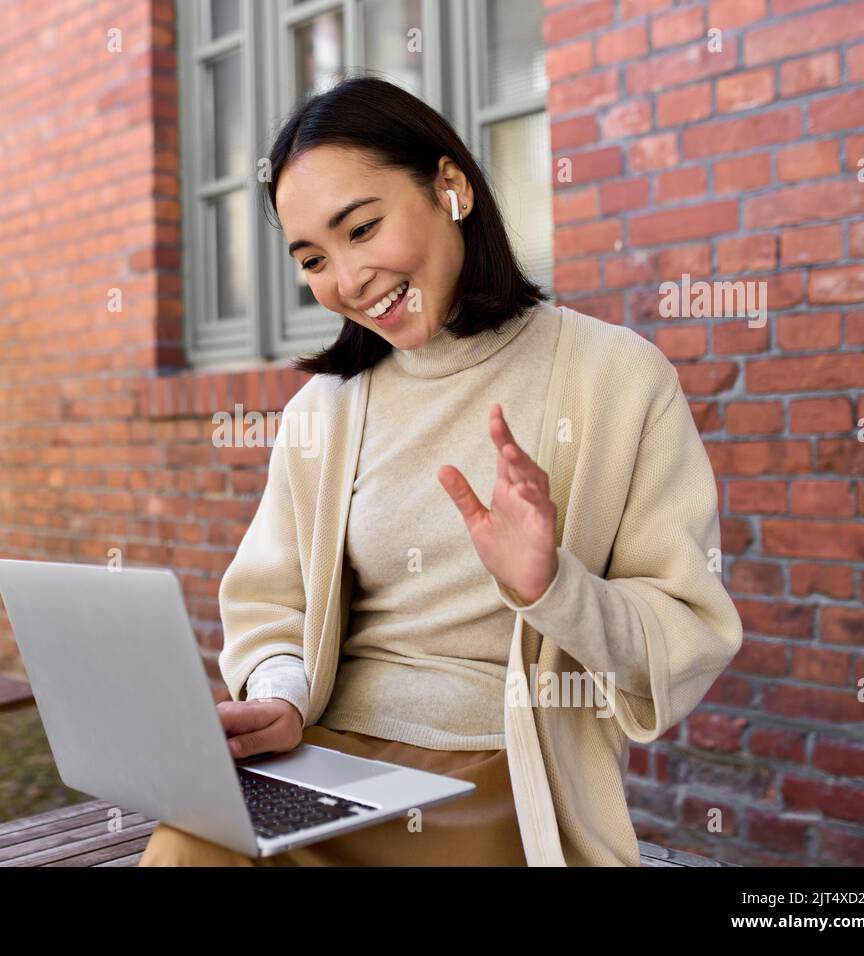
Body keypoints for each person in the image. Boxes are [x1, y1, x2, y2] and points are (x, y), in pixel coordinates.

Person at [139, 73, 742, 867]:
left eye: (362, 229)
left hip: (495, 776)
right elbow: (270, 603)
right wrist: (281, 700)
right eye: (313, 257)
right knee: (188, 845)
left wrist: (551, 588)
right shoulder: (326, 410)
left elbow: (689, 629)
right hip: (322, 759)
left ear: (451, 186)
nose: (346, 281)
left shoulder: (615, 378)